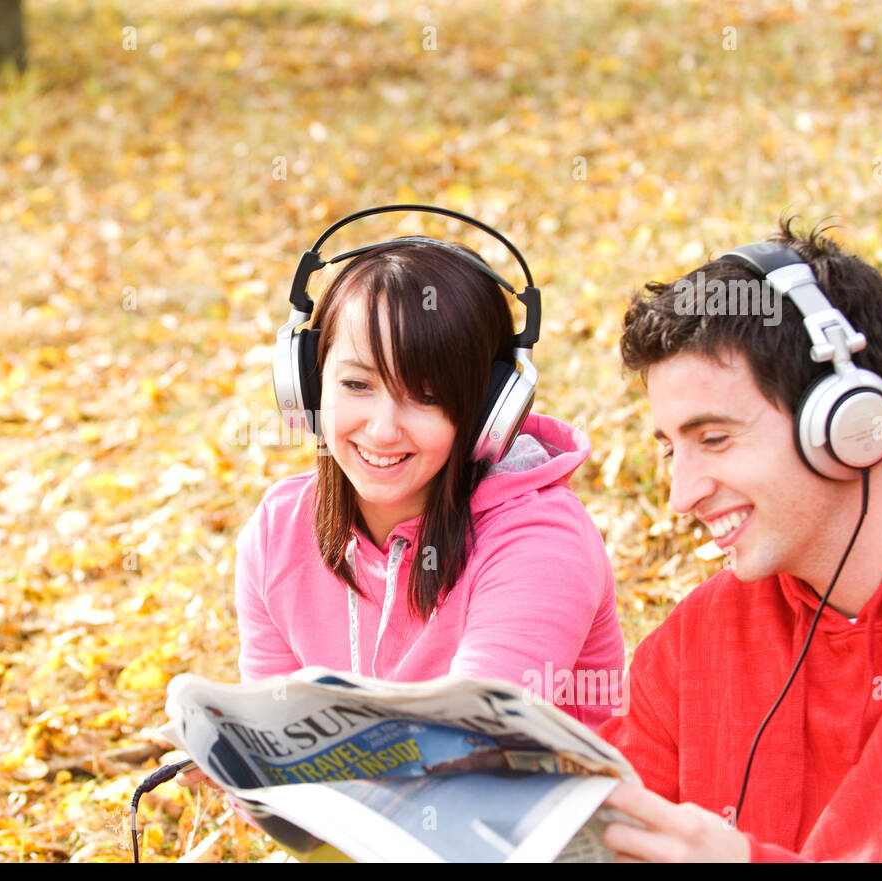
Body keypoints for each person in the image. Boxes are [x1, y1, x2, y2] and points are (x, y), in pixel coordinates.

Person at [599, 219, 882, 862]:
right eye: (672, 451)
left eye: (714, 439)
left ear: (852, 422)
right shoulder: (695, 645)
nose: (682, 496)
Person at [235, 236, 625, 727]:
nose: (382, 429)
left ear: (487, 411)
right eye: (356, 384)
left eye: (424, 397)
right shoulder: (278, 533)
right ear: (309, 383)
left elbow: (469, 743)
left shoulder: (543, 545)